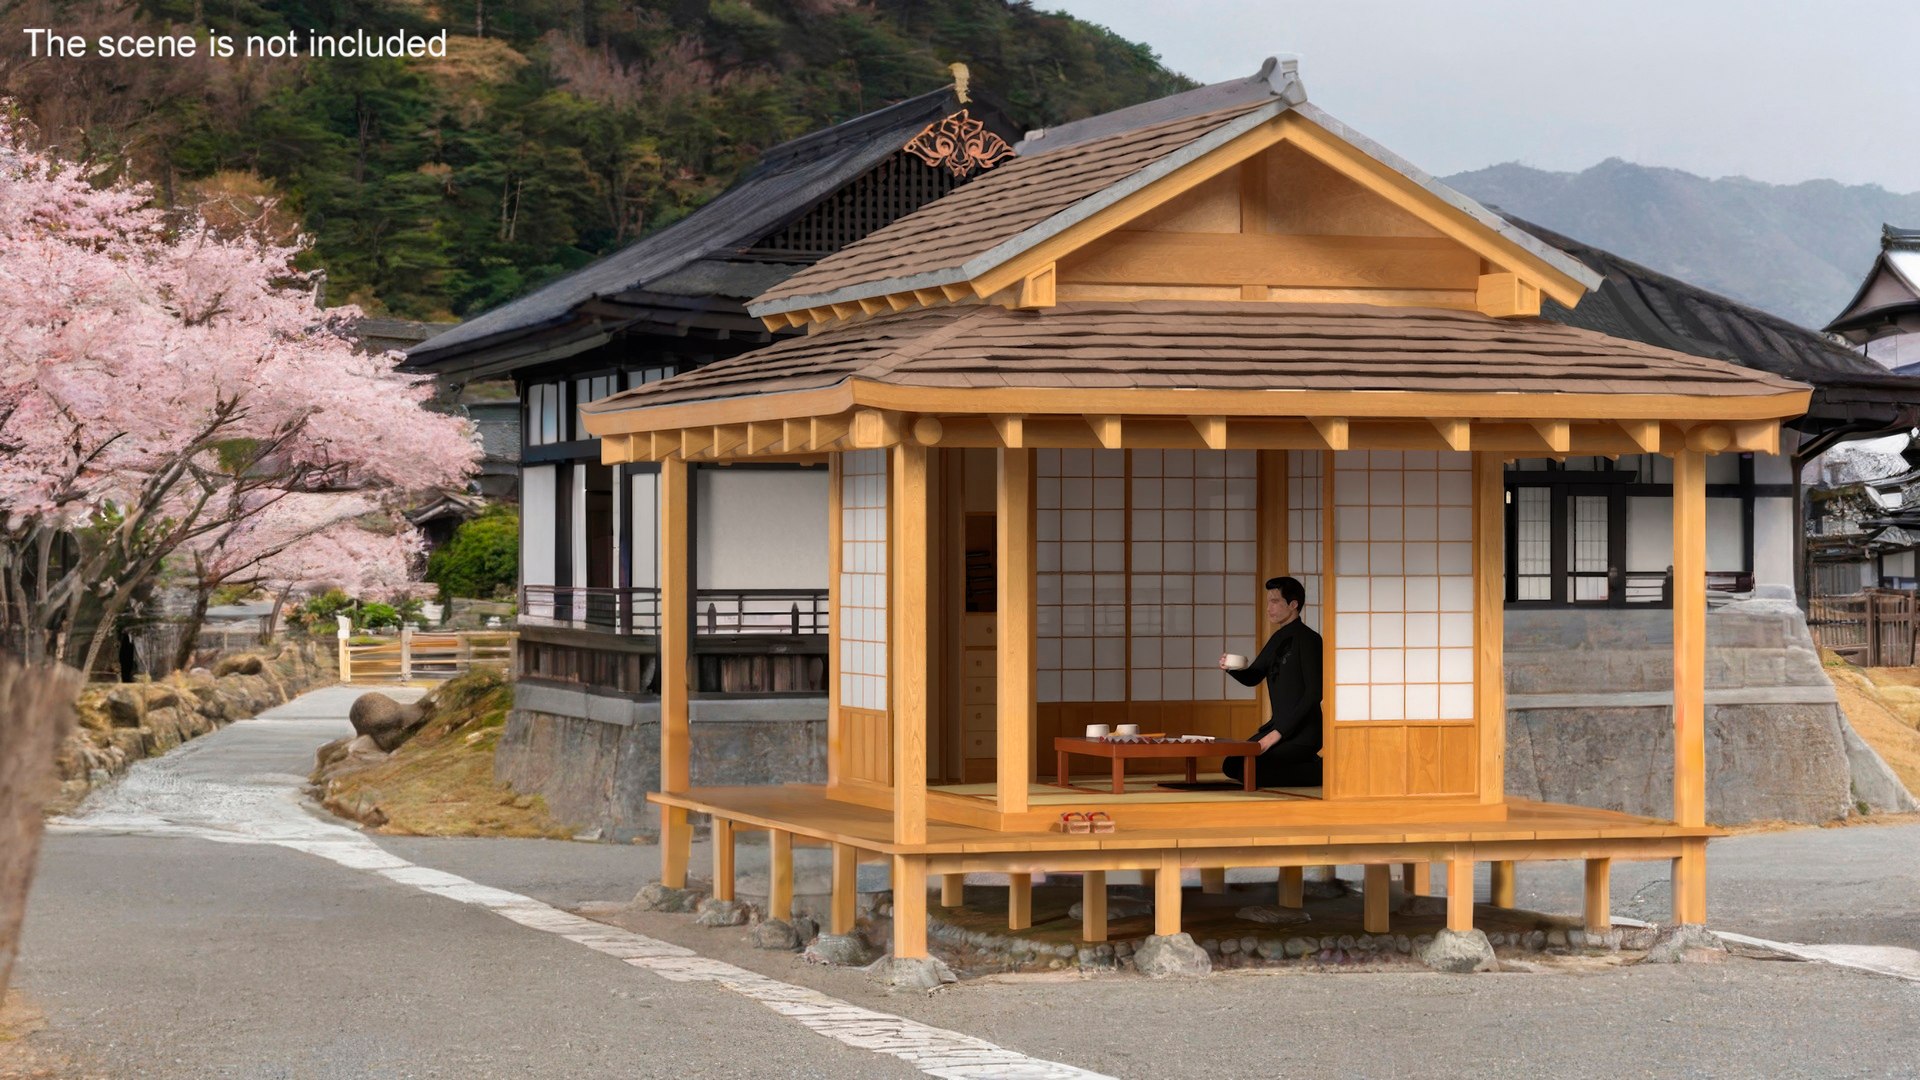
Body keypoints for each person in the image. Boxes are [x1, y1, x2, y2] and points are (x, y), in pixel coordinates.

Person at [1218, 576, 1323, 789]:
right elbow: (1253, 677)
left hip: (1302, 734)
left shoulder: (1309, 639)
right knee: (1233, 764)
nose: (1268, 608)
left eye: (1275, 602)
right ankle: (1309, 766)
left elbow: (1314, 694)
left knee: (1251, 771)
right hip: (1277, 728)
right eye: (1268, 602)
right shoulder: (1277, 638)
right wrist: (1231, 668)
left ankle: (1322, 772)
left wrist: (1276, 734)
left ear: (1293, 605)